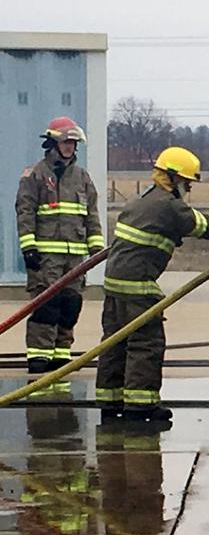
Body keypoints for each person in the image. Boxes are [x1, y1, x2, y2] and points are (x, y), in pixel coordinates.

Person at [95, 147, 209, 424]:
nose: (189, 188)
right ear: (175, 178)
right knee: (146, 343)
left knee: (115, 343)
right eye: (188, 183)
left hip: (114, 283)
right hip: (138, 284)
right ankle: (141, 406)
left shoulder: (143, 198)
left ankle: (110, 402)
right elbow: (208, 227)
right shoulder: (169, 206)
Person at [15, 117, 104, 374]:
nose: (70, 147)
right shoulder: (35, 175)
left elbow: (92, 216)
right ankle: (39, 356)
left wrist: (96, 249)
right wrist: (28, 247)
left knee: (70, 304)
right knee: (46, 306)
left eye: (73, 143)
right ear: (53, 142)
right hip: (45, 258)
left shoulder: (82, 178)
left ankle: (61, 353)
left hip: (74, 259)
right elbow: (25, 212)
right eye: (66, 141)